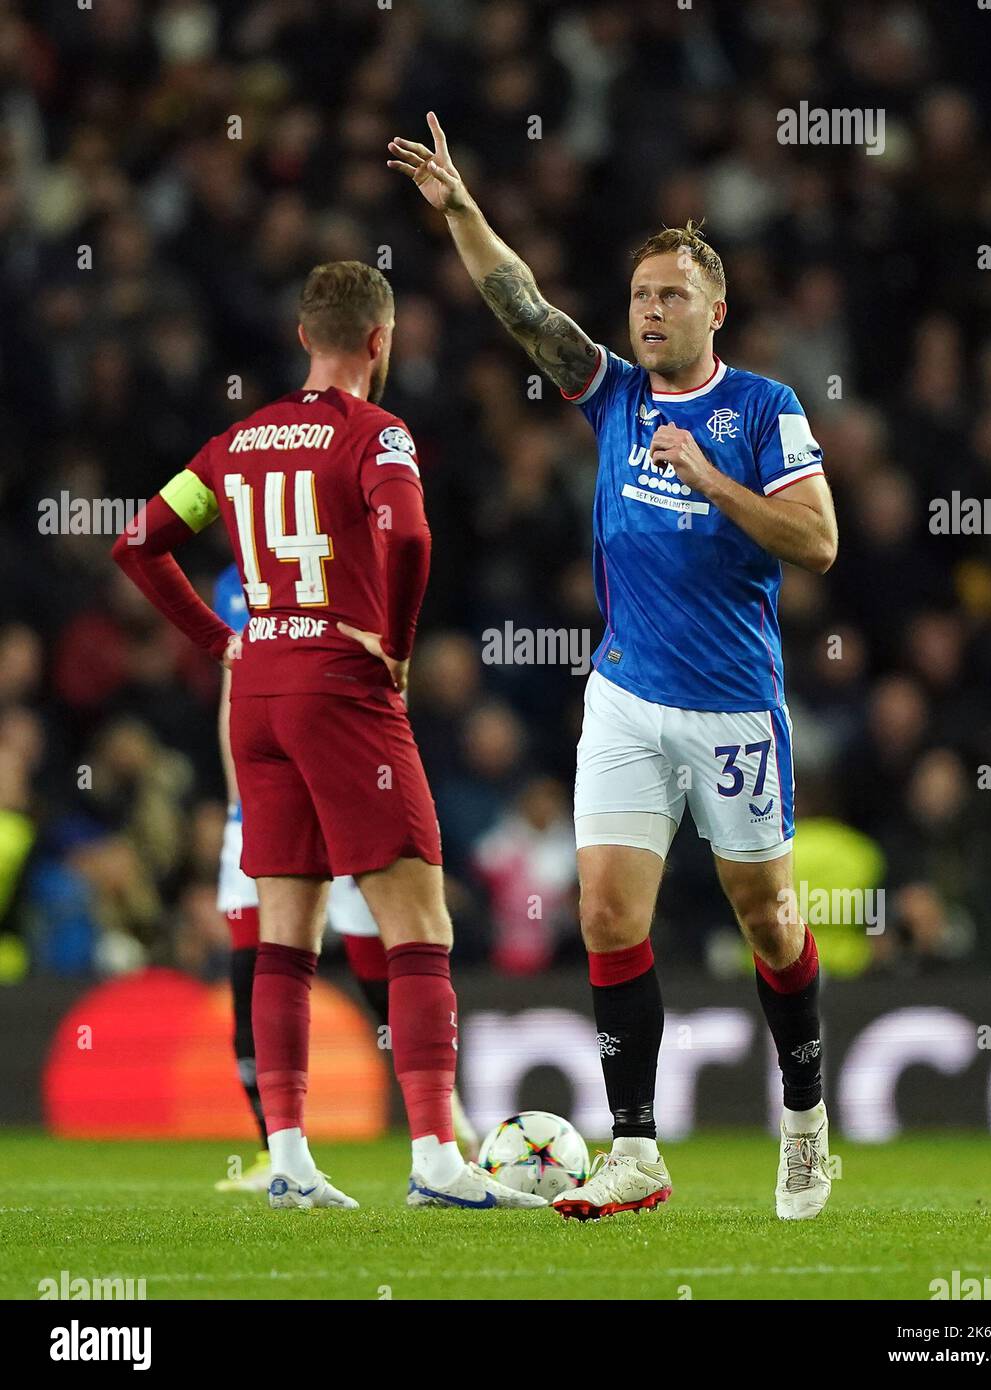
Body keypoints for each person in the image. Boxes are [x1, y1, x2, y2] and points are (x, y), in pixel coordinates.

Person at [390, 115, 838, 1221]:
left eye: (671, 295)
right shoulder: (613, 395)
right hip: (628, 697)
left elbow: (817, 541)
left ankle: (805, 1120)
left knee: (768, 922)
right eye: (640, 294)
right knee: (603, 912)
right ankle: (635, 1148)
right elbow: (525, 307)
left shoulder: (760, 410)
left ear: (713, 309)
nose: (649, 309)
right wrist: (461, 214)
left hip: (733, 709)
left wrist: (708, 478)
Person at [113, 259, 541, 1211]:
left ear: (305, 336)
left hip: (257, 694)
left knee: (284, 939)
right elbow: (414, 539)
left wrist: (224, 640)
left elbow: (138, 544)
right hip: (340, 691)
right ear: (380, 341)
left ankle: (293, 1161)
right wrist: (392, 644)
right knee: (419, 925)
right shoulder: (379, 435)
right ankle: (436, 1156)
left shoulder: (236, 442)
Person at [210, 561, 478, 1194]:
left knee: (353, 956)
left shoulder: (338, 562)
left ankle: (300, 1157)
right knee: (274, 959)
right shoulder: (258, 576)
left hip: (320, 771)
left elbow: (145, 546)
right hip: (304, 775)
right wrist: (236, 809)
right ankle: (422, 1148)